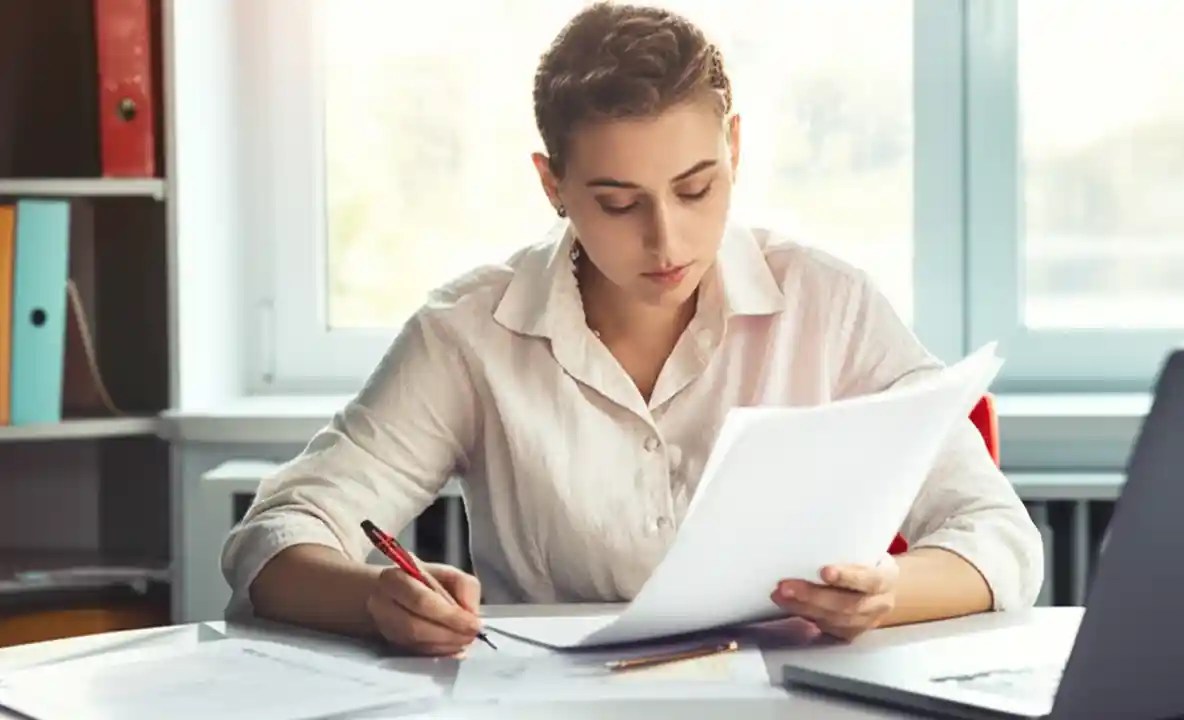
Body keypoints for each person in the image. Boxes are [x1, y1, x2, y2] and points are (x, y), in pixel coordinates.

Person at [222, 2, 1043, 657]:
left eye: (697, 189)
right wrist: (376, 601)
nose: (668, 240)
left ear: (735, 147)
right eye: (618, 203)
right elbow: (272, 539)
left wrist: (888, 591)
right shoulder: (468, 333)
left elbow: (1002, 538)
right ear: (553, 184)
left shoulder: (829, 305)